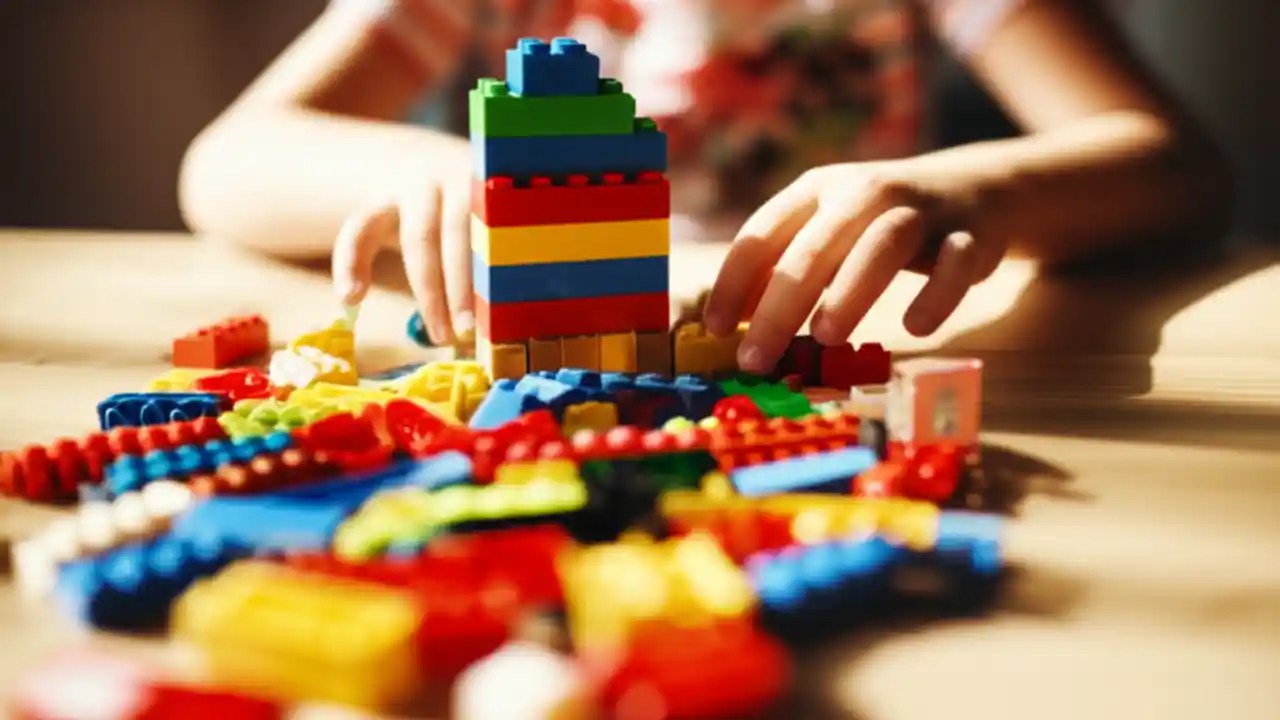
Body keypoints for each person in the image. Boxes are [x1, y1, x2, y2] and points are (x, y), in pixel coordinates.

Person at [178, 0, 1231, 374]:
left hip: (804, 356)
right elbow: (227, 161)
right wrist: (431, 168)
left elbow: (1173, 166)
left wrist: (970, 191)